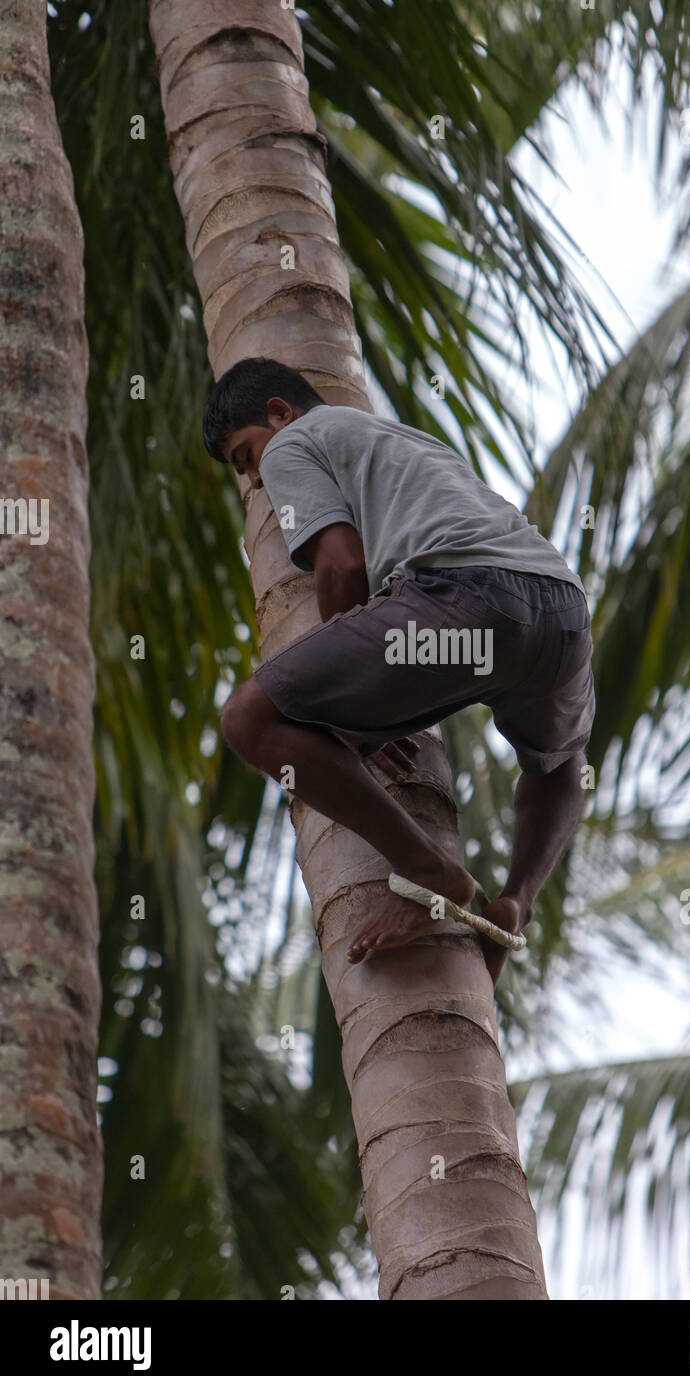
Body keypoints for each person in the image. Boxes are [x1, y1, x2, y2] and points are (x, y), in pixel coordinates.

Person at [203, 357, 595, 984]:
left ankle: (428, 868)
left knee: (248, 717)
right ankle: (517, 901)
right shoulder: (406, 440)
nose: (253, 483)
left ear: (278, 412)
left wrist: (346, 709)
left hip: (463, 597)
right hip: (562, 612)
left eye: (243, 458)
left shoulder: (293, 445)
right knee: (559, 765)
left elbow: (340, 562)